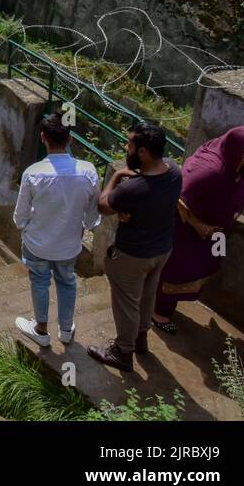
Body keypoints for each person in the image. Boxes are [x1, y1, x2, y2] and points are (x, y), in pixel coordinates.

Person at [87, 122, 183, 373]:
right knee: (148, 295)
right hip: (162, 249)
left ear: (143, 152)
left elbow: (103, 205)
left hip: (132, 255)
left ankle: (122, 352)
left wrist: (117, 177)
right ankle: (141, 340)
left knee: (126, 303)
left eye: (130, 144)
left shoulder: (132, 187)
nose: (126, 148)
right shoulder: (175, 171)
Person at [152, 126, 244, 333]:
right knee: (175, 271)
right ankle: (159, 313)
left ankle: (165, 304)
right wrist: (199, 225)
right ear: (236, 149)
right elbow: (177, 196)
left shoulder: (237, 168)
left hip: (217, 234)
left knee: (209, 265)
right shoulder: (209, 170)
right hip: (187, 231)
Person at [12, 113, 101, 348]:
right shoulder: (88, 171)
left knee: (40, 282)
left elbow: (20, 216)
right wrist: (85, 226)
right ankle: (65, 329)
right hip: (69, 245)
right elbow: (92, 216)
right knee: (67, 281)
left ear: (43, 138)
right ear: (70, 139)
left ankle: (41, 330)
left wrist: (27, 228)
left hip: (37, 244)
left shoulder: (32, 173)